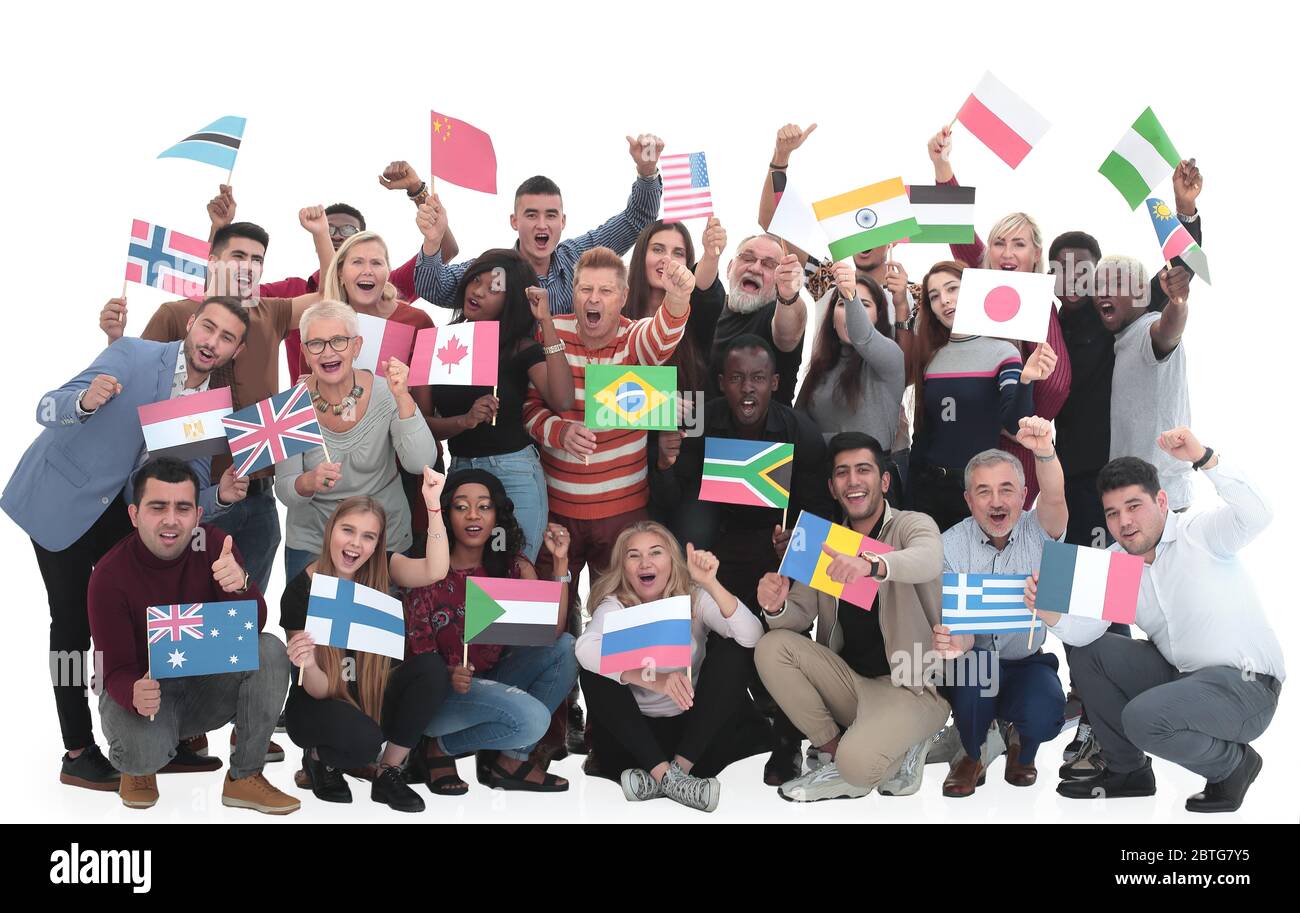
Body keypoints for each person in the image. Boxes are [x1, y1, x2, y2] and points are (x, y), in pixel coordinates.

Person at [2, 298, 252, 792]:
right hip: (64, 500)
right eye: (208, 328)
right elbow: (45, 406)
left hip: (126, 514)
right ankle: (77, 750)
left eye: (226, 338)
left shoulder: (207, 407)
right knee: (73, 621)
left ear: (236, 349)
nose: (211, 342)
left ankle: (165, 734)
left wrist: (218, 495)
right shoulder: (134, 354)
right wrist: (85, 401)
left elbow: (188, 485)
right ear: (191, 323)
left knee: (155, 612)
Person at [1027, 429, 1284, 813]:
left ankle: (1234, 765)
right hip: (1183, 680)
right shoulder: (1116, 564)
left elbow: (1258, 514)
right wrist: (1052, 616)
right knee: (1088, 653)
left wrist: (1205, 457)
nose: (1124, 522)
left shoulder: (1200, 533)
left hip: (1247, 687)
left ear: (1161, 501)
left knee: (1142, 718)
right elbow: (1084, 635)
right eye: (1113, 513)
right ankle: (1128, 772)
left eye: (1134, 507)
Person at [100, 213, 331, 595]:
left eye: (257, 260)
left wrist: (320, 234)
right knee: (189, 603)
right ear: (213, 262)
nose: (249, 266)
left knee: (243, 604)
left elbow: (325, 298)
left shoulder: (269, 312)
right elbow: (132, 380)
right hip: (198, 494)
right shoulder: (176, 315)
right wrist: (114, 340)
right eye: (238, 255)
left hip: (259, 491)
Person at [651, 333, 833, 785]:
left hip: (775, 557)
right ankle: (726, 723)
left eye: (757, 379)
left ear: (774, 382)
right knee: (729, 644)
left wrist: (793, 550)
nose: (746, 389)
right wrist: (665, 460)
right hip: (715, 554)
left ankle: (789, 740)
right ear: (720, 383)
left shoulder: (801, 432)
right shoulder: (699, 419)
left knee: (785, 637)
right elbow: (673, 503)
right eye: (735, 379)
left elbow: (822, 516)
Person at [88, 458, 295, 813]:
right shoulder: (109, 575)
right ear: (135, 514)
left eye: (182, 508)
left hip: (202, 687)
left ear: (198, 515)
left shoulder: (215, 545)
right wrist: (133, 692)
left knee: (270, 650)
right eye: (158, 507)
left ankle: (244, 776)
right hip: (144, 692)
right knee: (142, 753)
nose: (171, 520)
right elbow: (114, 668)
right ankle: (139, 768)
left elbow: (251, 630)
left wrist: (241, 584)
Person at [755, 432, 950, 801]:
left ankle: (909, 742)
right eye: (842, 473)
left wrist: (872, 565)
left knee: (859, 767)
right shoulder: (823, 540)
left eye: (863, 470)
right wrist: (775, 605)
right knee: (771, 645)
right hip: (851, 685)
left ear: (885, 481)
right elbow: (796, 617)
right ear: (832, 488)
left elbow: (929, 559)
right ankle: (832, 750)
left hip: (911, 688)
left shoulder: (912, 524)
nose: (853, 481)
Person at [521, 246, 693, 617]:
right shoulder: (550, 331)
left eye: (605, 291)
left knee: (617, 614)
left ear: (624, 296)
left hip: (622, 513)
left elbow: (661, 337)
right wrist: (559, 431)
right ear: (574, 293)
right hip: (557, 508)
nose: (593, 299)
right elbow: (529, 408)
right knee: (554, 613)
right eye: (585, 290)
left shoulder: (634, 339)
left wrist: (677, 298)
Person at [282, 475, 452, 812]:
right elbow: (316, 688)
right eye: (348, 530)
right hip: (320, 703)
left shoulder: (383, 567)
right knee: (363, 743)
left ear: (377, 544)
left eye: (368, 536)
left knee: (431, 669)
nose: (356, 544)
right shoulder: (302, 590)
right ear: (331, 530)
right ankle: (319, 758)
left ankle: (388, 772)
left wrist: (433, 506)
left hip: (370, 695)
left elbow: (435, 570)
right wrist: (310, 662)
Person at [401, 469, 578, 793]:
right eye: (461, 506)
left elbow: (550, 632)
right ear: (446, 514)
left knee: (566, 647)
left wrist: (561, 564)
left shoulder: (512, 566)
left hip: (492, 682)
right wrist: (448, 673)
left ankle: (511, 761)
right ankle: (436, 747)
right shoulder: (427, 570)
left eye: (484, 506)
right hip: (442, 696)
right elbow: (414, 659)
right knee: (532, 719)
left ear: (497, 515)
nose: (473, 515)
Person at [576, 522, 772, 812]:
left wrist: (710, 583)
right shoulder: (616, 605)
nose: (645, 562)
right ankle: (667, 777)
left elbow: (751, 636)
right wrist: (655, 679)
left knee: (733, 652)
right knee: (595, 674)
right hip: (639, 738)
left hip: (692, 735)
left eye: (656, 552)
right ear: (624, 566)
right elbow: (584, 648)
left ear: (671, 560)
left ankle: (675, 774)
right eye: (634, 555)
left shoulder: (694, 596)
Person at [930, 421, 1068, 797]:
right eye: (984, 491)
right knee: (977, 672)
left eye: (1006, 490)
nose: (996, 502)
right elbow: (959, 627)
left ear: (1024, 495)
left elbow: (1054, 498)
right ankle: (972, 754)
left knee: (1046, 711)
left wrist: (1044, 451)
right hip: (975, 660)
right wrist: (955, 643)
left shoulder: (1039, 530)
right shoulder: (950, 546)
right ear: (968, 499)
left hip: (1026, 660)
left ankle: (1023, 745)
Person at [424, 250, 574, 563]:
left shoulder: (521, 347)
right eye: (475, 280)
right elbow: (423, 424)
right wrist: (464, 421)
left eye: (494, 289)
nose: (477, 291)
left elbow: (562, 399)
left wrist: (545, 320)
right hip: (461, 471)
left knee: (515, 576)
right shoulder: (438, 342)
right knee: (470, 576)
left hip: (515, 474)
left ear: (511, 302)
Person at [413, 134, 665, 315]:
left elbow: (637, 220)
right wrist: (433, 242)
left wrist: (647, 171)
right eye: (532, 215)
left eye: (551, 215)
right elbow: (433, 287)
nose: (542, 225)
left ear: (563, 221)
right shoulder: (495, 270)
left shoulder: (579, 257)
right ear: (514, 221)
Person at [275, 300, 438, 582]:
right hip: (316, 543)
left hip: (383, 540)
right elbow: (285, 491)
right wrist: (308, 482)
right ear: (304, 351)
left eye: (338, 341)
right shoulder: (289, 406)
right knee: (307, 626)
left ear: (356, 346)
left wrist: (402, 397)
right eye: (316, 344)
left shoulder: (387, 391)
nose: (328, 353)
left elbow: (421, 463)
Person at [907, 260, 1056, 531]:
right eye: (935, 296)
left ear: (975, 291)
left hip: (975, 493)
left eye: (953, 289)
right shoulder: (931, 357)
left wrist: (1025, 380)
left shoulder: (1003, 353)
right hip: (926, 491)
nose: (945, 301)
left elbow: (1014, 423)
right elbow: (924, 431)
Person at [205, 160, 460, 301]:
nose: (337, 235)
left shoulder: (386, 286)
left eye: (348, 230)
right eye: (330, 229)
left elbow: (445, 249)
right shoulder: (294, 293)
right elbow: (222, 294)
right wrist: (220, 229)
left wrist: (417, 190)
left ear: (363, 239)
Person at [980, 213, 1072, 508]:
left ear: (1036, 255)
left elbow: (1056, 385)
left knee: (1018, 543)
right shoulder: (982, 296)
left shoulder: (1044, 303)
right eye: (998, 243)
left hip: (1031, 449)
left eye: (1018, 244)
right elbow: (960, 235)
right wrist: (942, 168)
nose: (1007, 253)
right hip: (987, 445)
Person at [796, 261, 906, 495]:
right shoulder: (819, 368)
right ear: (831, 318)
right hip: (825, 482)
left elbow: (862, 337)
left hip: (872, 487)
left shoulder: (891, 359)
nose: (849, 309)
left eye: (863, 304)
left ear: (878, 317)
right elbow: (800, 428)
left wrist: (850, 295)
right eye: (841, 304)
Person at [1096, 258, 1195, 512]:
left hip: (1160, 503)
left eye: (1117, 284)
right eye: (1099, 286)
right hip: (1129, 501)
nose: (1104, 291)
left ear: (1141, 293)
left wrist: (1177, 302)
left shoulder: (1145, 330)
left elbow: (1168, 331)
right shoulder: (1123, 339)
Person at [624, 217, 729, 401]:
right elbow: (603, 393)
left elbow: (703, 288)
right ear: (641, 254)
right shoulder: (616, 308)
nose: (667, 259)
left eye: (678, 253)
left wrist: (711, 256)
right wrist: (660, 407)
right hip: (622, 426)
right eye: (658, 249)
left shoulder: (695, 311)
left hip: (688, 426)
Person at [707, 233, 808, 406]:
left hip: (762, 432)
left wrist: (789, 296)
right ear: (730, 267)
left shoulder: (778, 310)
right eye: (747, 258)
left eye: (769, 265)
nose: (755, 268)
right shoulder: (708, 310)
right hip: (698, 428)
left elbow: (788, 334)